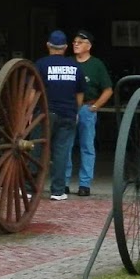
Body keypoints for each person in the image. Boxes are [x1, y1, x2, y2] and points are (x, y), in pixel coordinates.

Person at [34, 29, 83, 202]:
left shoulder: (41, 64)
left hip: (45, 114)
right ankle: (57, 191)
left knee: (36, 149)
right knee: (61, 153)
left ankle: (28, 188)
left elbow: (33, 91)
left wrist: (28, 113)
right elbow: (79, 94)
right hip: (68, 114)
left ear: (48, 45)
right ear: (65, 47)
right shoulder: (75, 67)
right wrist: (75, 112)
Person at [70, 30, 113, 197]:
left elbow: (108, 90)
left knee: (87, 146)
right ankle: (63, 182)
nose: (76, 44)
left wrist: (95, 107)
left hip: (87, 108)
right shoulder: (68, 63)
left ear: (89, 46)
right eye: (74, 41)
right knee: (65, 146)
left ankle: (84, 184)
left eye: (80, 42)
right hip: (69, 108)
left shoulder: (97, 65)